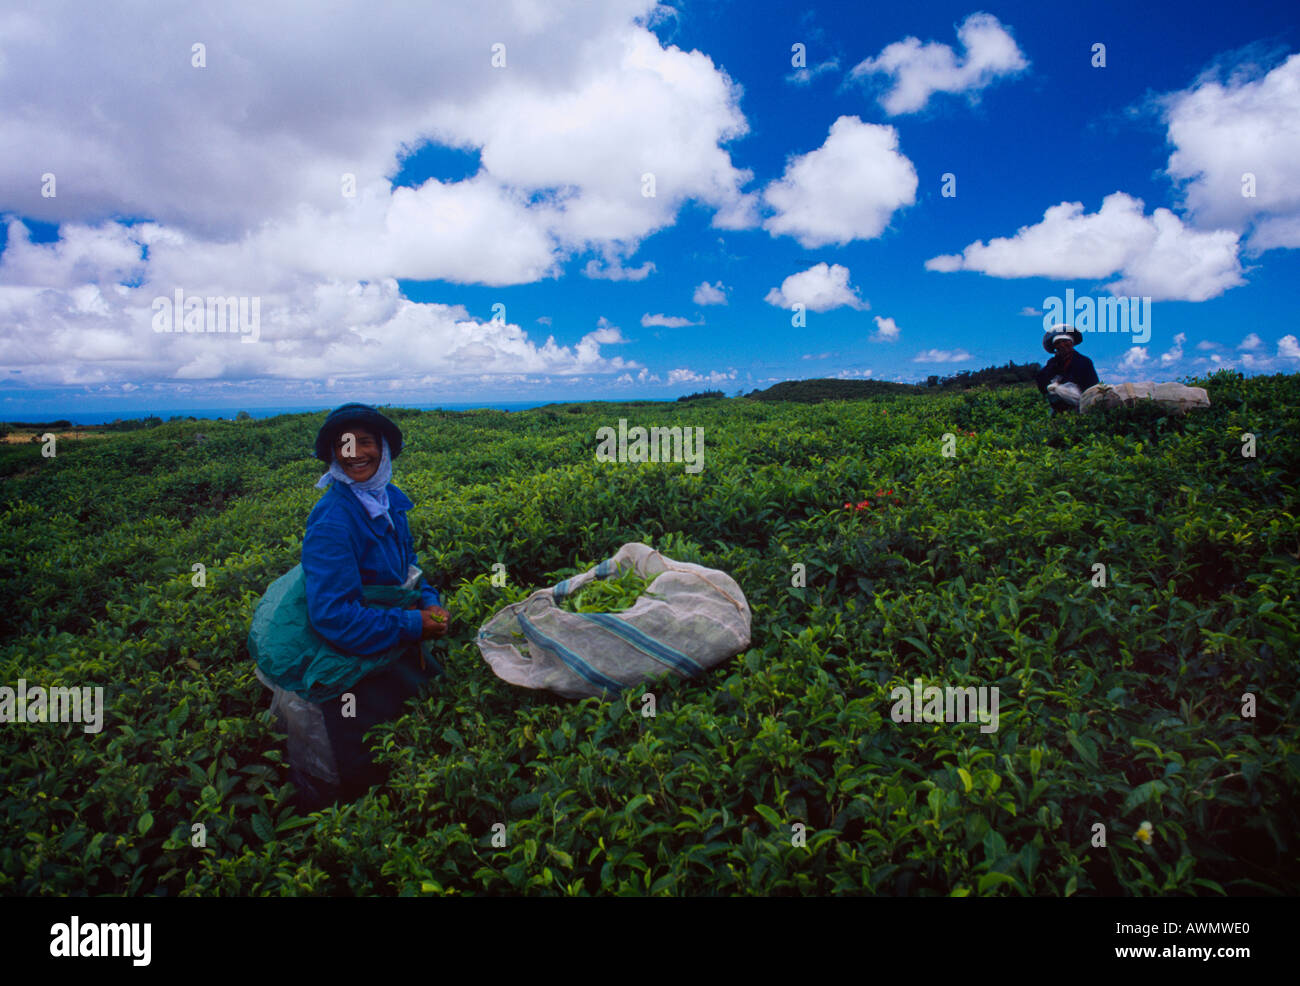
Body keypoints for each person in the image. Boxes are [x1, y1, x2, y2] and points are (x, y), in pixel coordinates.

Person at [299, 402, 449, 807]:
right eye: (344, 444)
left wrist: (430, 601)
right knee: (371, 773)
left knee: (418, 737)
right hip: (355, 666)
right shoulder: (333, 520)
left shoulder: (388, 501)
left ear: (383, 450)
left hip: (388, 640)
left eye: (365, 442)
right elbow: (334, 616)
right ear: (333, 453)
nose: (355, 453)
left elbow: (408, 568)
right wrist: (414, 625)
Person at [1035, 325, 1098, 414]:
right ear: (1055, 347)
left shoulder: (1084, 361)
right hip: (1058, 407)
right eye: (1058, 343)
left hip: (1082, 405)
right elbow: (1041, 382)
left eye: (1065, 341)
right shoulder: (1052, 363)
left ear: (1071, 343)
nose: (1062, 345)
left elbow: (1092, 386)